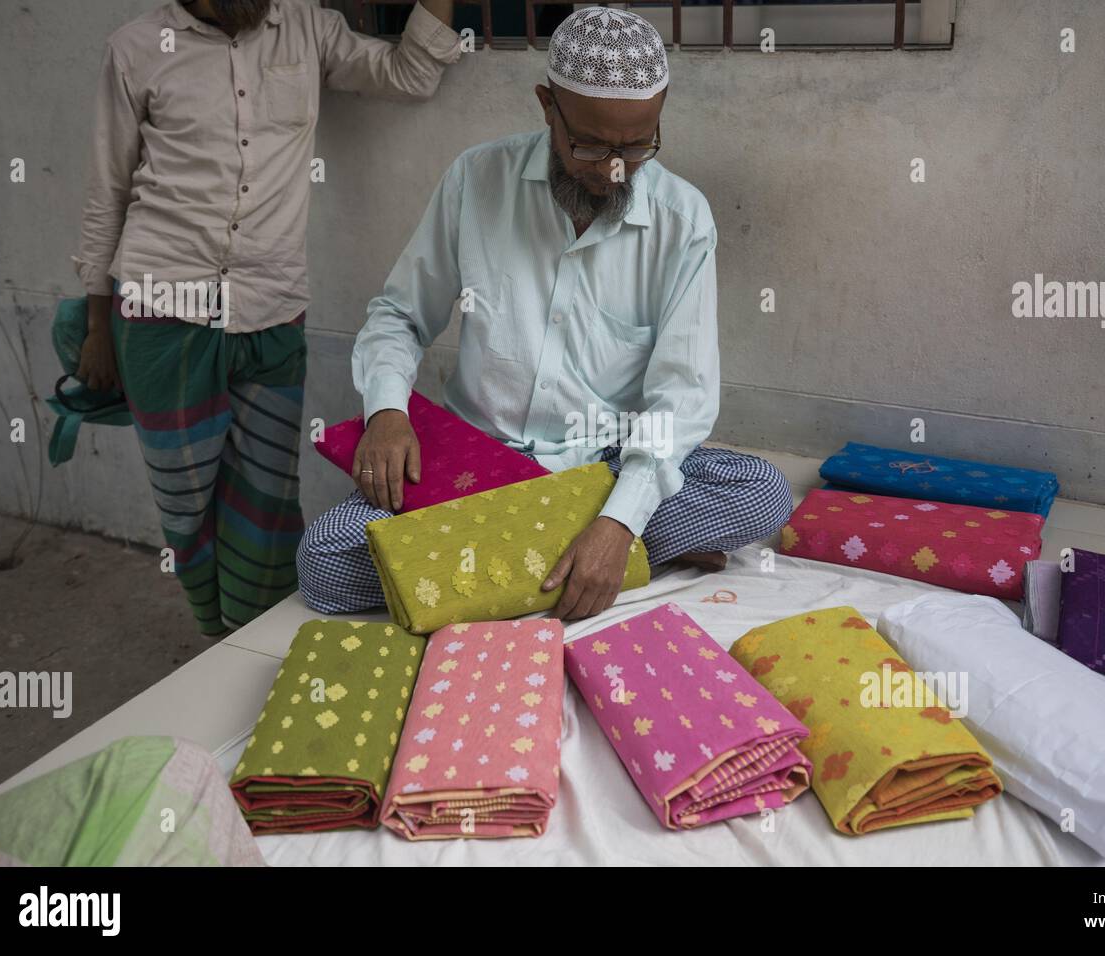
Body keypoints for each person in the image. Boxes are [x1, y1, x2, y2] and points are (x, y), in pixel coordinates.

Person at [298, 7, 791, 621]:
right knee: (323, 561)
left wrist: (615, 521)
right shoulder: (476, 181)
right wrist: (388, 412)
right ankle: (612, 559)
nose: (613, 170)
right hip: (473, 461)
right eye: (590, 145)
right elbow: (399, 314)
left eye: (636, 147)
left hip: (600, 466)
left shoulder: (682, 220)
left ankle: (509, 568)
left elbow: (680, 402)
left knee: (761, 493)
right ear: (546, 106)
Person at [72, 0, 462, 635]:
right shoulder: (136, 47)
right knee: (186, 504)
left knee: (268, 500)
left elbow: (409, 74)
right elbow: (108, 187)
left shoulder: (308, 27)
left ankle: (255, 644)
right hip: (161, 310)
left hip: (272, 311)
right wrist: (97, 325)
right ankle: (216, 632)